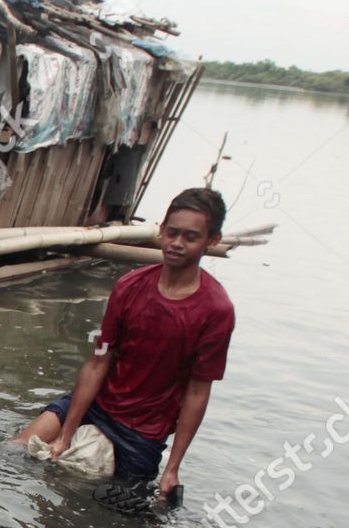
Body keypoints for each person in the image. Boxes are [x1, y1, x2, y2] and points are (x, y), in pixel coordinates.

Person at [16, 187, 235, 499]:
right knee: (14, 452)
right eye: (171, 233)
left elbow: (198, 391)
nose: (176, 243)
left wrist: (173, 468)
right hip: (96, 404)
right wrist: (66, 434)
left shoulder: (216, 310)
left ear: (211, 241)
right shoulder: (129, 287)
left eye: (190, 237)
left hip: (142, 432)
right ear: (161, 231)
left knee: (110, 507)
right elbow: (98, 361)